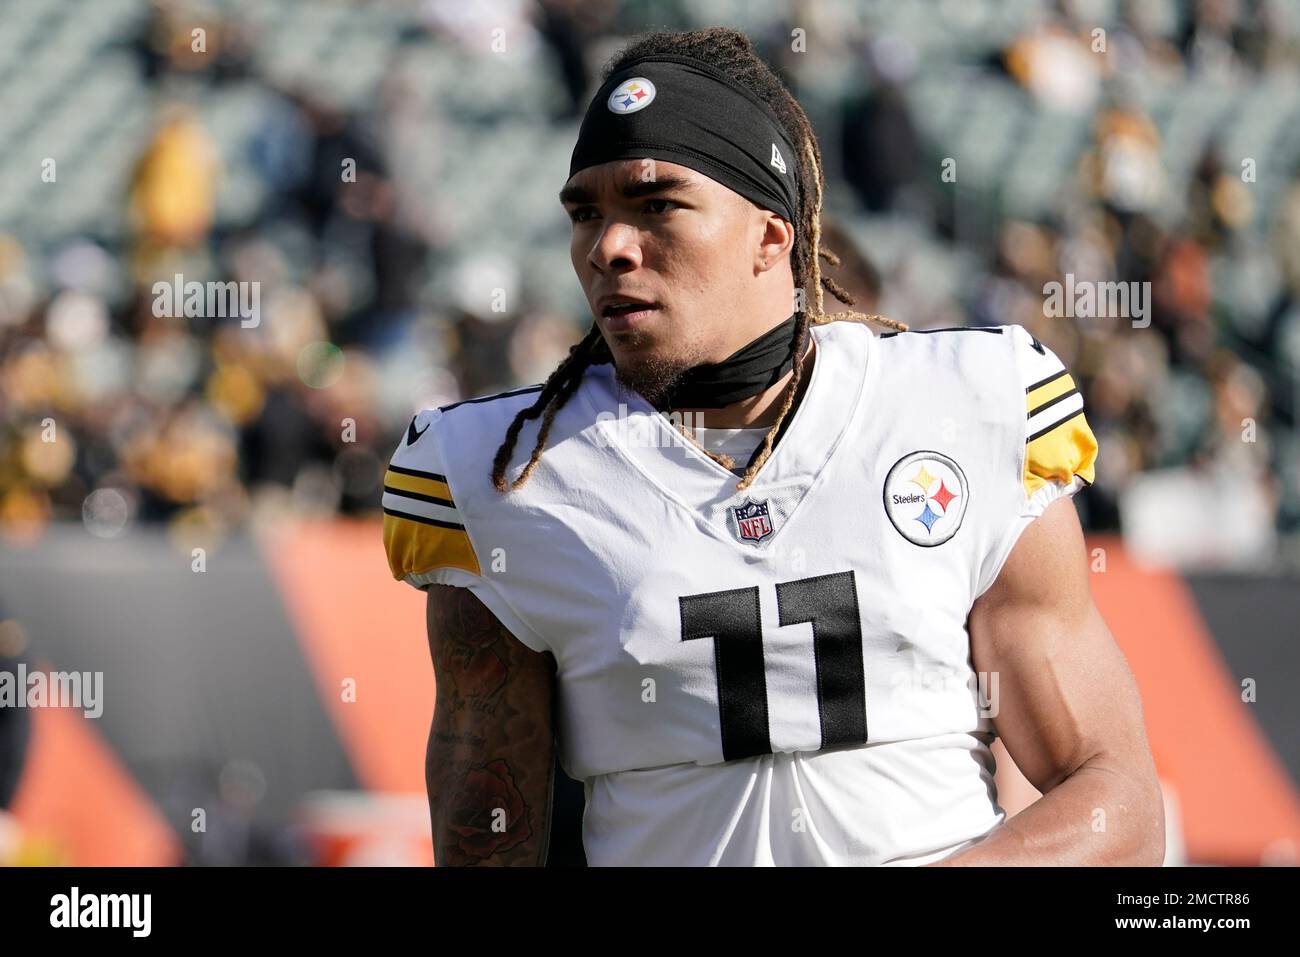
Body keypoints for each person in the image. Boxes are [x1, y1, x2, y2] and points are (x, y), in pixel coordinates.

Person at [382, 27, 1164, 866]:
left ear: (772, 234)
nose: (607, 245)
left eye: (656, 204)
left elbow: (1117, 798)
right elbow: (485, 840)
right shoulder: (506, 476)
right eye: (586, 212)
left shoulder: (967, 405)